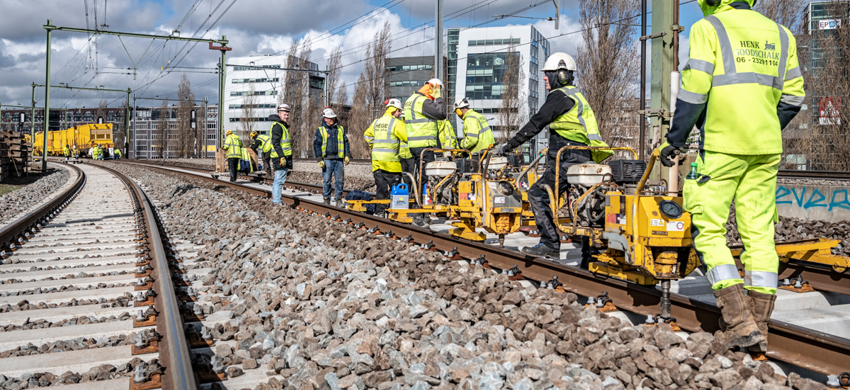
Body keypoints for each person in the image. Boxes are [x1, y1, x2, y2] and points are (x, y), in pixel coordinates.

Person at [659, 0, 804, 353]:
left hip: (723, 146)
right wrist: (765, 127)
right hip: (766, 148)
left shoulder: (710, 28)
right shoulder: (782, 35)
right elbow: (794, 98)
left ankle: (739, 322)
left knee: (707, 229)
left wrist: (675, 139)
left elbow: (694, 93)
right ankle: (760, 327)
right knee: (759, 232)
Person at [496, 52, 613, 258]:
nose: (544, 78)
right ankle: (590, 253)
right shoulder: (575, 95)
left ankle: (549, 242)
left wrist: (510, 145)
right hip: (579, 155)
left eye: (547, 74)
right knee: (581, 204)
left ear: (560, 75)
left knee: (537, 193)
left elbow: (536, 123)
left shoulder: (561, 96)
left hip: (569, 156)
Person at [364, 98, 408, 215]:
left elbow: (367, 135)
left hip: (377, 162)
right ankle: (395, 211)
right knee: (396, 190)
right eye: (399, 111)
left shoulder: (376, 122)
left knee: (381, 189)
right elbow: (407, 137)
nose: (399, 114)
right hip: (391, 163)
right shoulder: (396, 123)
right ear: (395, 110)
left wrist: (372, 144)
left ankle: (380, 211)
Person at [404, 78, 447, 190]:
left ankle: (419, 198)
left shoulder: (411, 99)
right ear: (434, 88)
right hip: (424, 145)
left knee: (421, 175)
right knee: (427, 177)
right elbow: (442, 113)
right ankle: (425, 201)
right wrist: (438, 98)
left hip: (414, 145)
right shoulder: (422, 101)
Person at [313, 107, 350, 207]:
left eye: (333, 118)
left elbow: (346, 142)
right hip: (327, 159)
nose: (331, 120)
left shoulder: (340, 129)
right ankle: (326, 199)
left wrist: (347, 155)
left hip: (338, 159)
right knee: (327, 180)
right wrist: (319, 159)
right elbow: (316, 145)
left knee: (340, 180)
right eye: (329, 118)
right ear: (324, 118)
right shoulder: (320, 130)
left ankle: (338, 199)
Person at [269, 104, 293, 205]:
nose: (286, 116)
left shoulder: (281, 126)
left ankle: (277, 200)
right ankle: (277, 201)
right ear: (279, 114)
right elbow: (276, 143)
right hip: (280, 157)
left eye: (287, 115)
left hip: (283, 157)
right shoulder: (278, 126)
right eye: (284, 114)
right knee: (278, 180)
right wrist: (281, 156)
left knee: (279, 180)